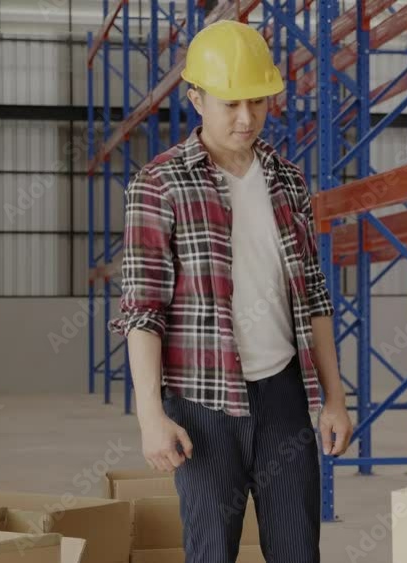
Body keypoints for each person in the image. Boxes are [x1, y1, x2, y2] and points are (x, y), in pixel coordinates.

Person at [110, 20, 353, 563]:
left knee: (298, 551)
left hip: (283, 397)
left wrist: (333, 398)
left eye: (257, 102)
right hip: (202, 405)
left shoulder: (288, 181)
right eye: (230, 104)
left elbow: (313, 296)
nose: (247, 118)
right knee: (211, 551)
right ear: (196, 98)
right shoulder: (159, 185)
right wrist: (151, 416)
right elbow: (142, 311)